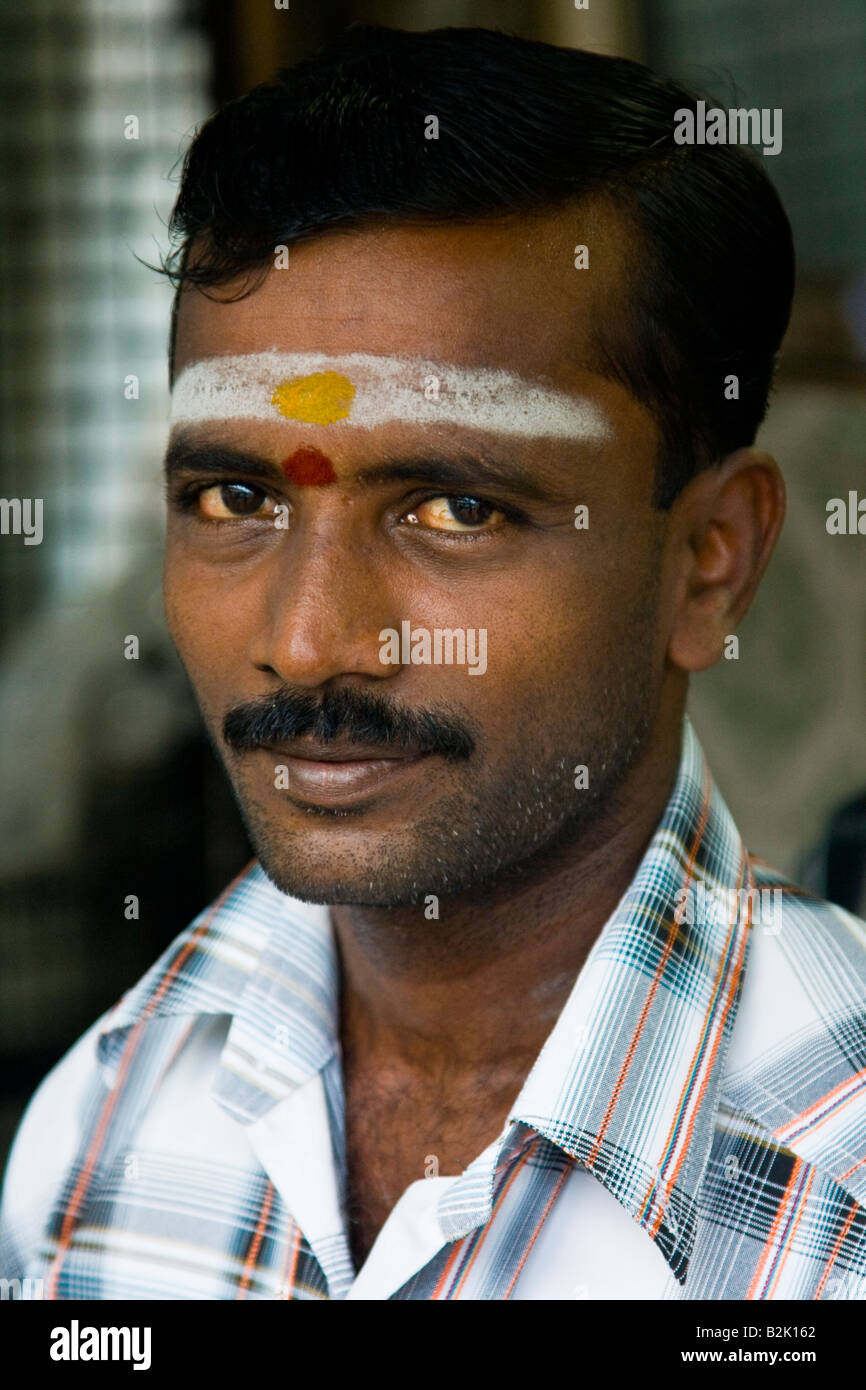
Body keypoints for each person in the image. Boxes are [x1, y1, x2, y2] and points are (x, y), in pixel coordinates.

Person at [2, 23, 864, 1302]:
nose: (302, 642)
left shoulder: (832, 1185)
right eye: (238, 496)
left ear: (708, 563)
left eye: (455, 510)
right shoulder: (103, 1132)